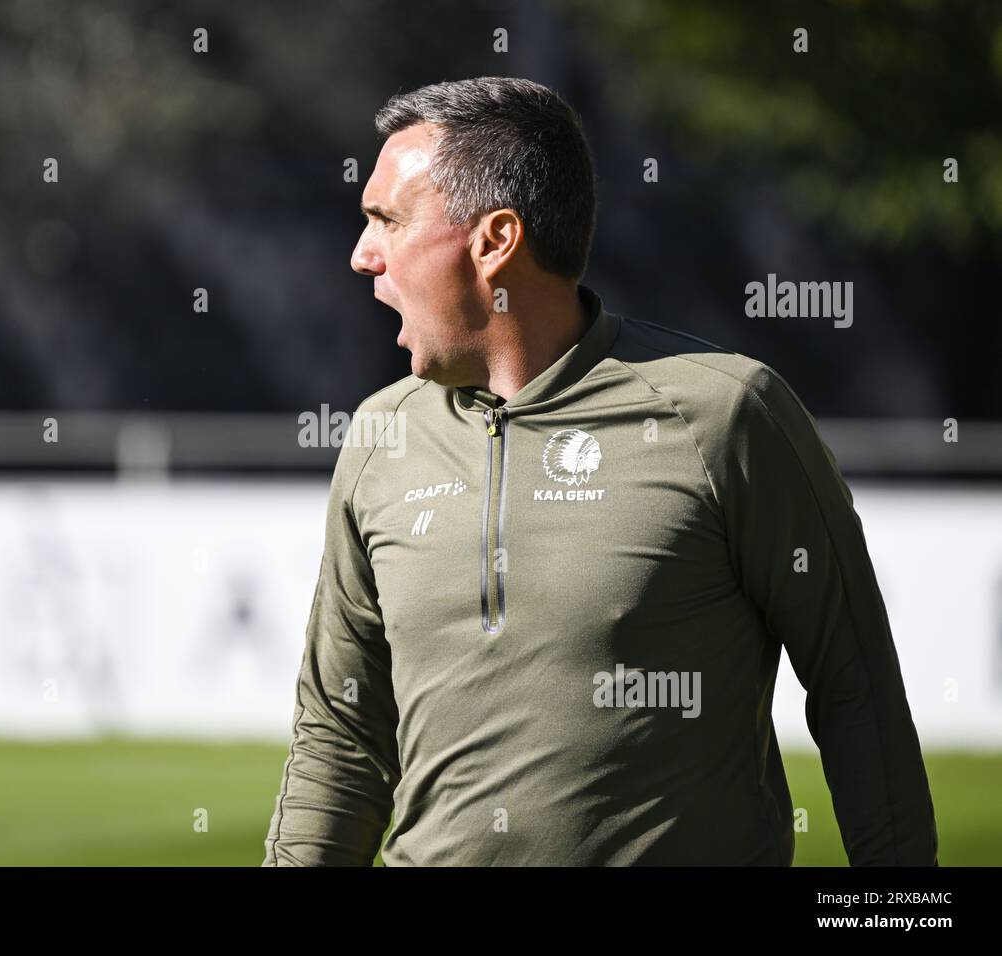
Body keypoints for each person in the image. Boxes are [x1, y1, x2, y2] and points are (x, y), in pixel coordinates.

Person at [262, 76, 938, 865]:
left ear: (494, 241)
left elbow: (859, 695)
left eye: (387, 220)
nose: (361, 254)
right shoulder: (381, 435)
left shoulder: (728, 415)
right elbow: (340, 737)